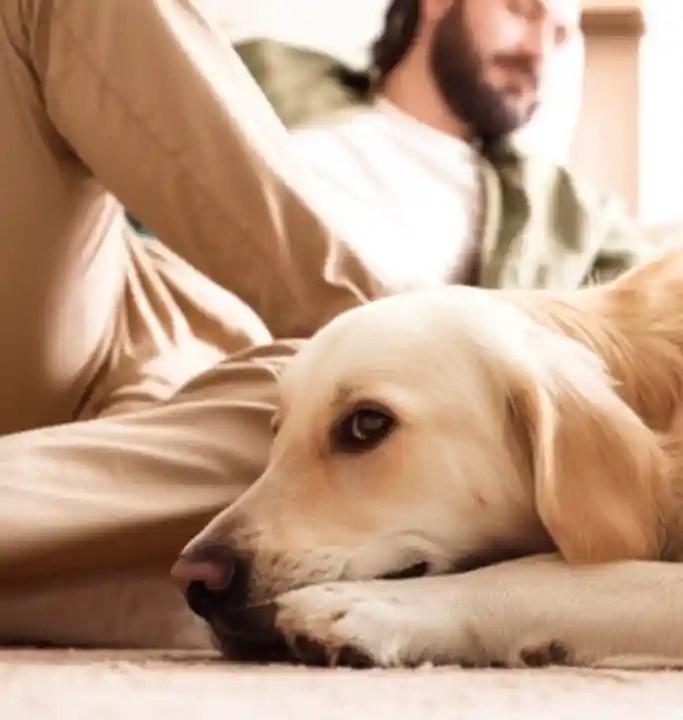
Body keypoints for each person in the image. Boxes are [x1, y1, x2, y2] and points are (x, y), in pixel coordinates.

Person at [0, 0, 644, 593]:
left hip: (249, 394)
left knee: (333, 441)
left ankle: (362, 353)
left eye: (561, 36)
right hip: (108, 291)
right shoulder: (265, 72)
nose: (539, 49)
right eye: (520, 9)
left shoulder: (570, 211)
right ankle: (365, 323)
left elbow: (636, 356)